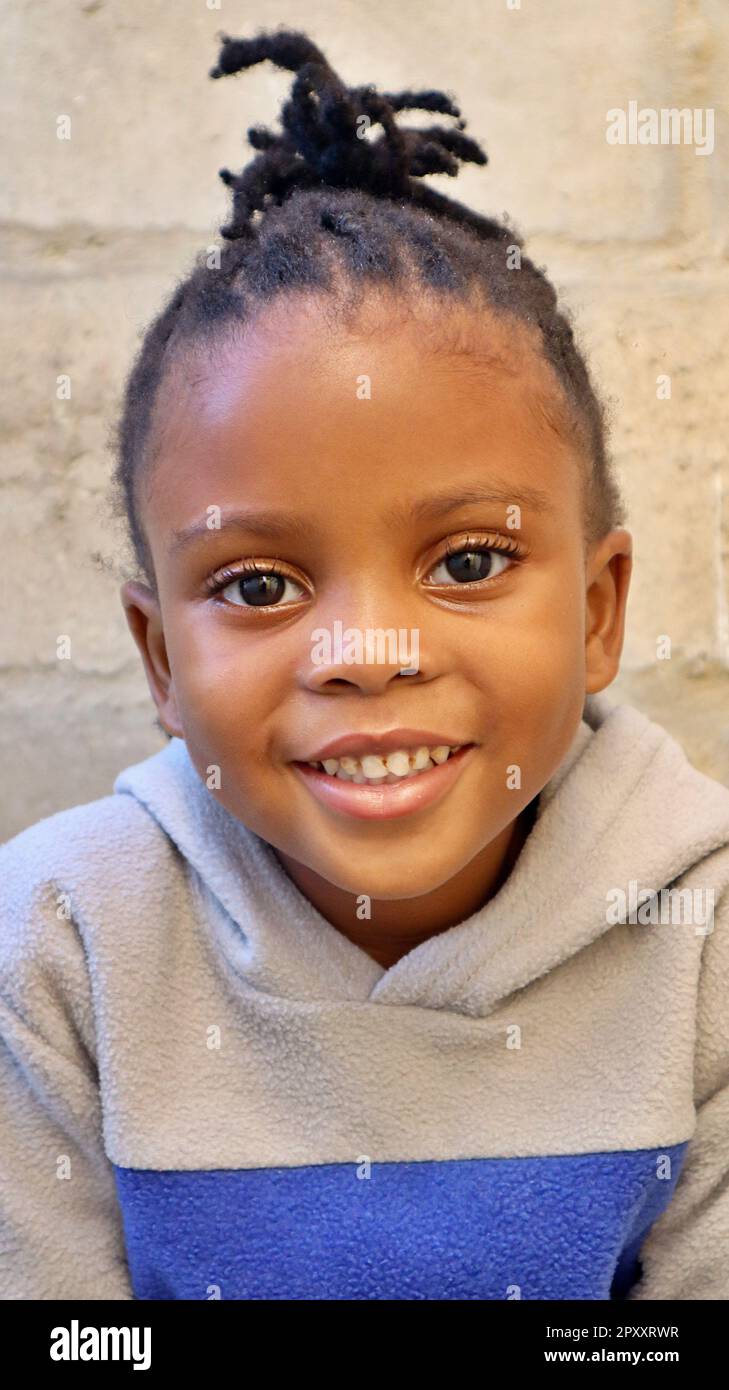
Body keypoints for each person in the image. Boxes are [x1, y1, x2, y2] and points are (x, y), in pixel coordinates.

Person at [2, 27, 728, 1301]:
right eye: (260, 586)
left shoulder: (706, 940)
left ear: (603, 607)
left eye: (465, 563)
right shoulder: (58, 946)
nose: (368, 656)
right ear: (158, 659)